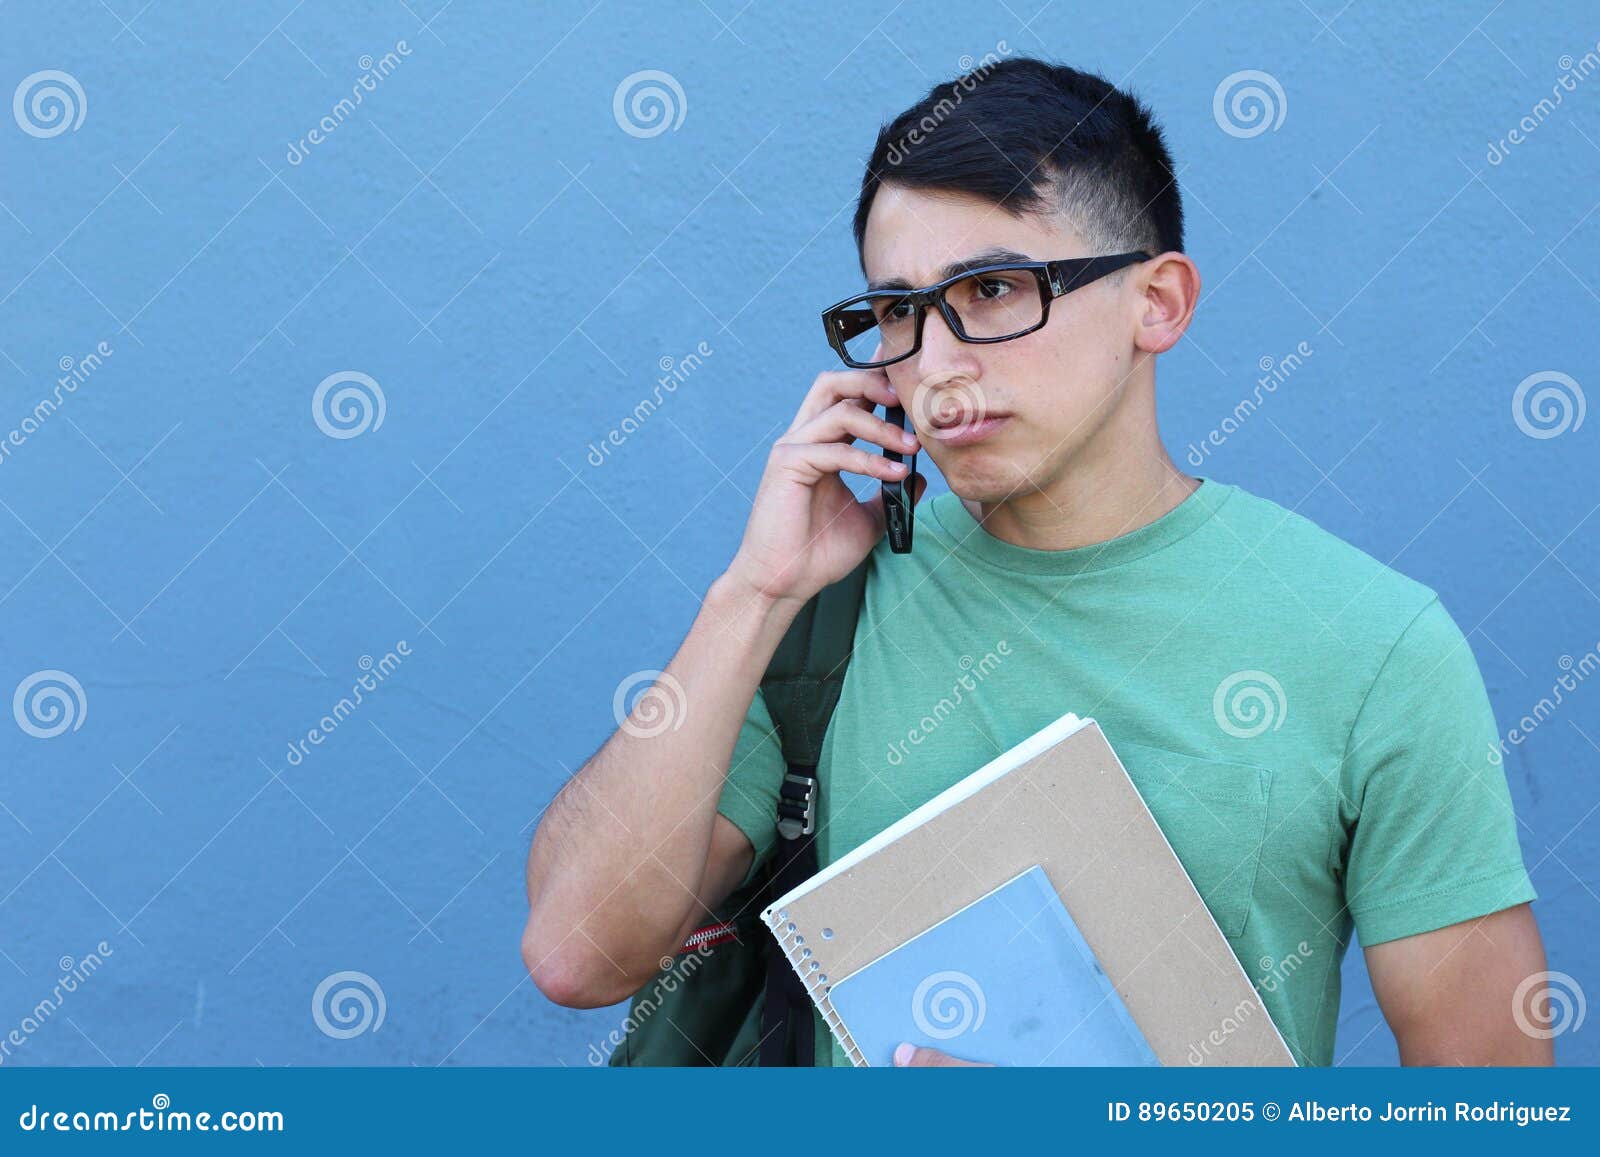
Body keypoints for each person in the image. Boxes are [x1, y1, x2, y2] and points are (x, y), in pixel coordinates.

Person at [522, 56, 1550, 1067]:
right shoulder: (821, 603)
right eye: (896, 312)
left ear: (1158, 303)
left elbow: (1491, 1112)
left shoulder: (1372, 644)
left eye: (994, 288)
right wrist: (750, 592)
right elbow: (577, 953)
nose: (933, 364)